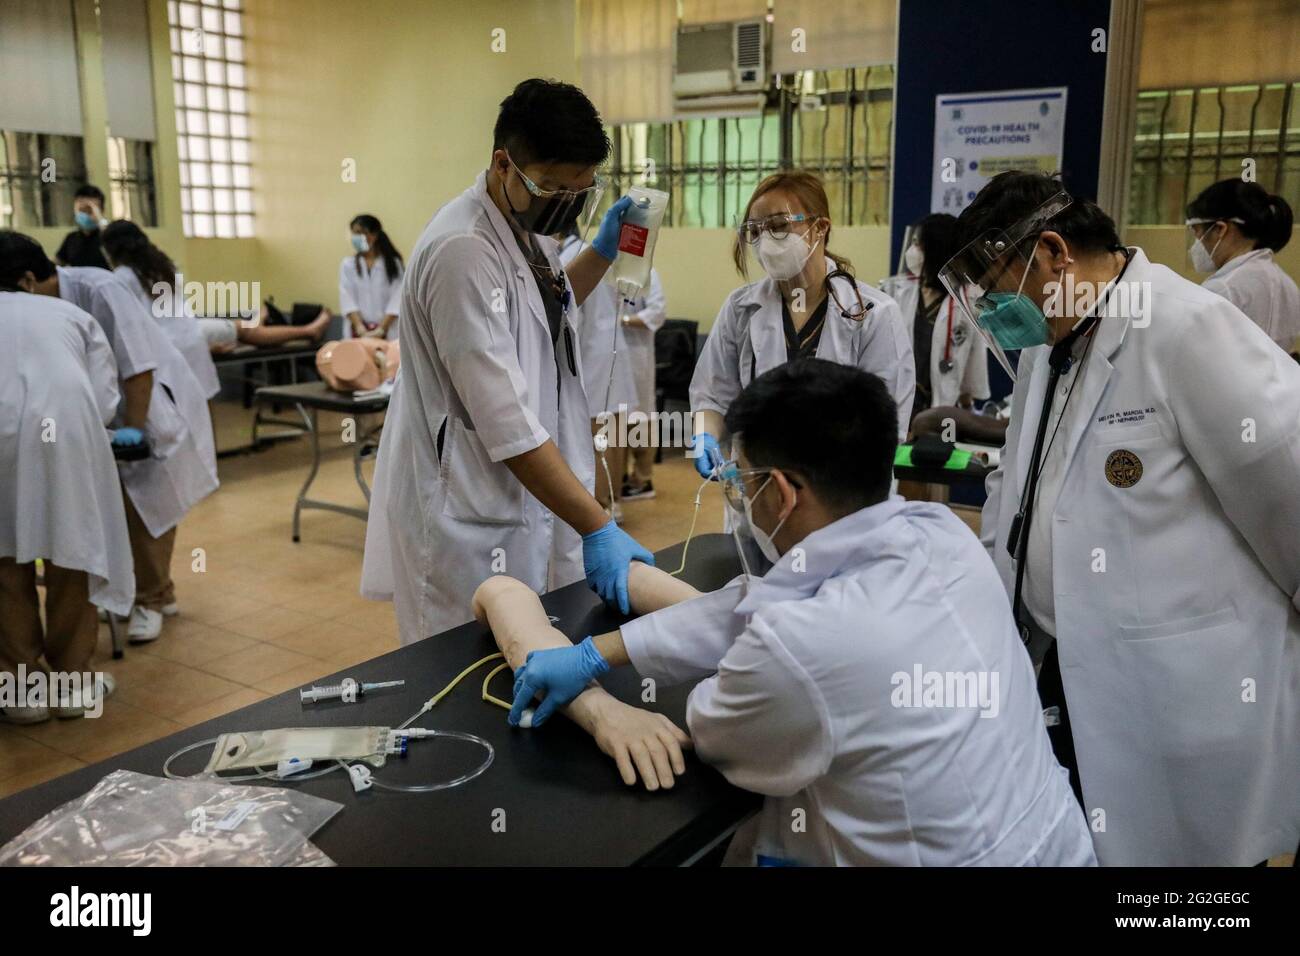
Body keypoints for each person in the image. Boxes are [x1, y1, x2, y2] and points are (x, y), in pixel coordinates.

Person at [507, 359, 1096, 867]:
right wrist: (599, 652)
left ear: (782, 493)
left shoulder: (802, 647)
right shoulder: (941, 533)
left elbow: (719, 730)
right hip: (1052, 843)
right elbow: (759, 606)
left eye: (741, 481)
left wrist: (602, 699)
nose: (739, 495)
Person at [942, 170, 1300, 866]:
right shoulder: (1056, 336)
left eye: (997, 290)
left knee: (1192, 888)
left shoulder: (1186, 328)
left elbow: (1287, 484)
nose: (993, 315)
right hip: (1071, 675)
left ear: (1053, 252)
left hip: (1183, 694)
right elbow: (1026, 489)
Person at [361, 79, 653, 643]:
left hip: (517, 498)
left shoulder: (524, 226)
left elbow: (546, 310)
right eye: (555, 188)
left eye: (581, 192)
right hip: (469, 512)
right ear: (503, 164)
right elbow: (507, 422)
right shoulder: (462, 250)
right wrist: (598, 525)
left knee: (531, 656)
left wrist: (601, 251)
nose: (566, 204)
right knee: (465, 675)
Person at [3, 232, 219, 643]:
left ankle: (152, 600)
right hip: (92, 413)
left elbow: (138, 367)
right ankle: (156, 593)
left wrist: (133, 430)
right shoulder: (41, 304)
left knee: (147, 506)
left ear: (29, 281)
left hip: (150, 402)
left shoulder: (99, 288)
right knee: (113, 508)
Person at [689, 170, 915, 479]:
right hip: (758, 491)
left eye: (779, 226)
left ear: (820, 228)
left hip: (842, 494)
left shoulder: (875, 313)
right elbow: (712, 396)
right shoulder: (740, 309)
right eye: (755, 232)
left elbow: (884, 424)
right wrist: (706, 437)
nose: (765, 240)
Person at [0, 249, 133, 721]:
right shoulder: (70, 315)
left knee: (4, 564)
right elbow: (104, 403)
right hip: (65, 438)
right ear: (30, 278)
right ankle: (74, 683)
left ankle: (21, 689)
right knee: (71, 553)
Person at [557, 227, 638, 520]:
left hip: (592, 355)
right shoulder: (592, 253)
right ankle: (611, 502)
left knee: (599, 438)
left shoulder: (571, 257)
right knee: (612, 434)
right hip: (608, 351)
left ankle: (601, 506)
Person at [881, 213, 989, 417]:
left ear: (934, 250)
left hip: (940, 409)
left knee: (933, 445)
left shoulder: (968, 301)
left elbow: (973, 364)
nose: (912, 251)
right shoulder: (896, 291)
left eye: (918, 244)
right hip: (897, 403)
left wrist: (968, 409)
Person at [101, 220, 221, 401]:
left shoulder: (123, 277)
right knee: (200, 408)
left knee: (175, 415)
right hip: (191, 340)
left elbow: (125, 323)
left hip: (163, 349)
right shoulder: (164, 266)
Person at [1186, 179, 1300, 353]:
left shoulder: (1223, 289)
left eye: (1198, 232)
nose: (1196, 244)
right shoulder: (1288, 285)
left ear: (1220, 229)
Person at [619, 268, 666, 500]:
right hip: (612, 356)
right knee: (616, 419)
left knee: (640, 417)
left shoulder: (647, 272)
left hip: (637, 355)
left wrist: (622, 321)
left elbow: (657, 313)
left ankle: (642, 479)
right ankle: (618, 476)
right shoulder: (607, 269)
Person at [340, 214, 403, 340]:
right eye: (354, 233)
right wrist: (360, 327)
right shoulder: (348, 264)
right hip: (357, 332)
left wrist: (381, 329)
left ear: (373, 235)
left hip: (388, 331)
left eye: (360, 233)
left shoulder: (393, 264)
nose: (355, 237)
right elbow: (347, 298)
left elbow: (397, 299)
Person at [54, 185, 111, 271]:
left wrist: (100, 220)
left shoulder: (108, 236)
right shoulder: (71, 239)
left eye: (90, 210)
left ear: (101, 211)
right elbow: (55, 265)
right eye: (81, 210)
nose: (85, 214)